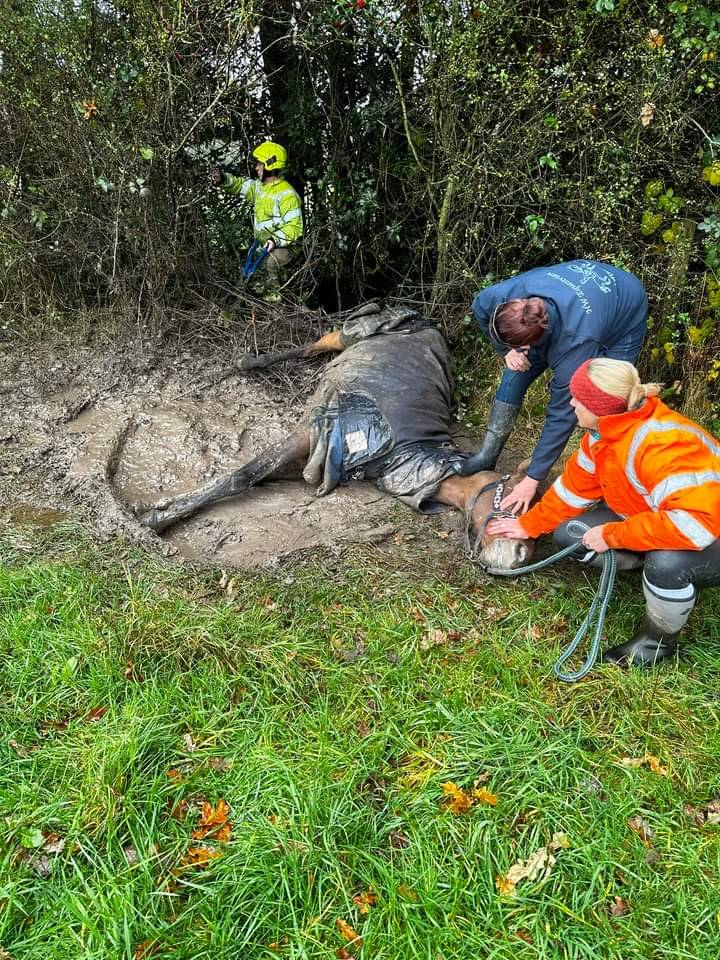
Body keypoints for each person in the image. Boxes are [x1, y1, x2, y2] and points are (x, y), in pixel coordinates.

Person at [487, 358, 720, 667]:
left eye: (578, 399)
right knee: (570, 535)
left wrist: (612, 535)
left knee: (667, 562)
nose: (570, 403)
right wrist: (528, 526)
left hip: (707, 533)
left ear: (599, 406)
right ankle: (648, 569)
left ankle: (655, 643)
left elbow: (694, 526)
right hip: (660, 520)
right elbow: (573, 490)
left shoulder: (662, 446)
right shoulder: (602, 436)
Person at [459, 260, 648, 514]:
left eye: (520, 347)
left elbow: (562, 414)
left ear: (531, 343)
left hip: (624, 306)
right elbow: (480, 305)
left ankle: (606, 479)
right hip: (577, 293)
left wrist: (533, 479)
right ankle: (486, 455)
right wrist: (506, 351)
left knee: (603, 398)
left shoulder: (576, 342)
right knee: (514, 374)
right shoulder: (509, 296)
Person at [211, 140, 303, 290]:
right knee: (248, 272)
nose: (256, 167)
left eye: (259, 164)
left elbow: (295, 227)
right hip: (263, 245)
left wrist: (275, 240)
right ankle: (251, 306)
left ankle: (277, 304)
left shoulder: (287, 194)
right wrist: (223, 179)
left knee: (269, 264)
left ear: (269, 164)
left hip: (286, 248)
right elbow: (240, 185)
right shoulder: (259, 188)